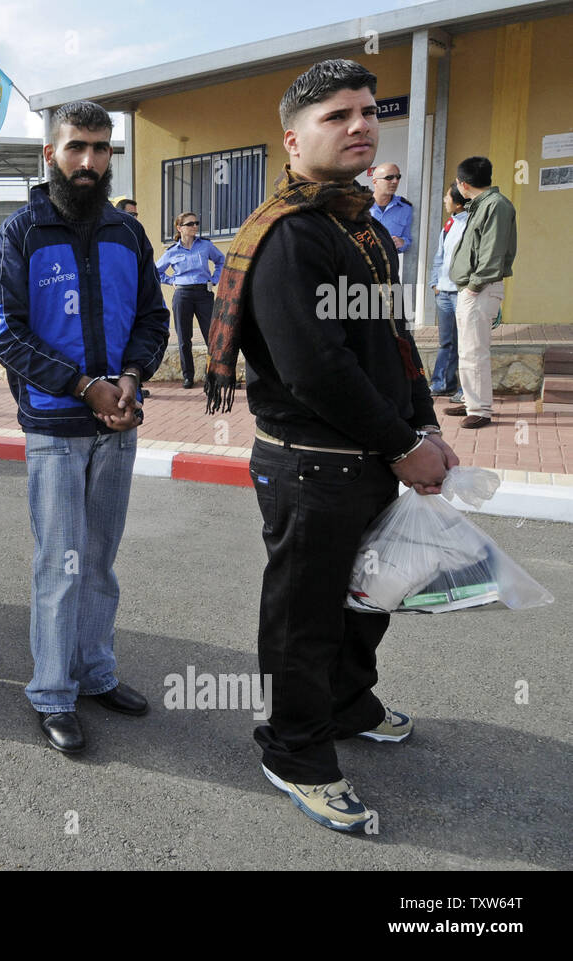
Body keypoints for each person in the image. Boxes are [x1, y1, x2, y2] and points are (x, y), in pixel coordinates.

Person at [204, 59, 458, 833]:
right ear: (292, 138)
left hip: (373, 457)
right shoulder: (288, 236)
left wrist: (425, 428)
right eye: (335, 116)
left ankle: (348, 704)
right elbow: (317, 369)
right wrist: (401, 443)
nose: (358, 125)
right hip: (311, 465)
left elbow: (391, 342)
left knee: (367, 599)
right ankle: (296, 750)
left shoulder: (362, 227)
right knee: (304, 616)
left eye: (366, 112)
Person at [0, 100, 169, 755]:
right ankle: (53, 692)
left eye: (101, 148)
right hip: (57, 428)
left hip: (118, 424)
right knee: (60, 565)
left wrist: (130, 376)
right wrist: (81, 384)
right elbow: (3, 331)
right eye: (76, 148)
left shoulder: (126, 232)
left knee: (99, 563)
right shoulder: (22, 234)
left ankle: (95, 674)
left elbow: (154, 316)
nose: (90, 161)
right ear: (50, 155)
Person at [444, 155, 518, 430]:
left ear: (463, 184)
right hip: (474, 288)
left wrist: (475, 286)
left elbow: (492, 252)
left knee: (475, 350)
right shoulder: (482, 205)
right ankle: (472, 400)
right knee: (468, 349)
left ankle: (480, 409)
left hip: (480, 288)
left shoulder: (495, 206)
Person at [155, 210, 225, 388]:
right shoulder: (172, 251)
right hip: (183, 295)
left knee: (211, 335)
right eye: (190, 224)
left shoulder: (205, 246)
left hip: (204, 294)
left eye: (196, 223)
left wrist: (215, 279)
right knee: (184, 338)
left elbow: (221, 260)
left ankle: (214, 376)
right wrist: (172, 281)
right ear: (180, 228)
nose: (195, 226)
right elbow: (156, 271)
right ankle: (188, 376)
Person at [428, 185, 469, 397]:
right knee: (446, 342)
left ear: (459, 202)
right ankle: (442, 384)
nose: (444, 199)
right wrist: (434, 284)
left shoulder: (471, 223)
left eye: (447, 197)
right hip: (443, 292)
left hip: (462, 292)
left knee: (466, 343)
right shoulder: (450, 222)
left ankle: (466, 390)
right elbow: (440, 255)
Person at [368, 162, 413, 253]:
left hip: (389, 264)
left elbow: (408, 239)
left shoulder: (405, 208)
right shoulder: (360, 206)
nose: (395, 181)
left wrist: (402, 242)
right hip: (362, 263)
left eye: (398, 177)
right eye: (389, 178)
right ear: (375, 182)